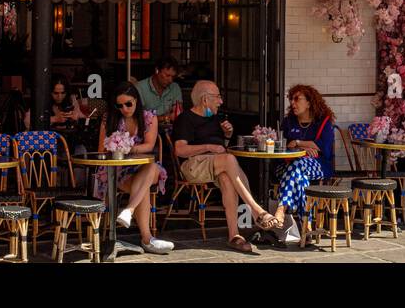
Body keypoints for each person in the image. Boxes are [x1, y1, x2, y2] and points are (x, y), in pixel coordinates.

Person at [172, 80, 280, 254]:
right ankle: (256, 210)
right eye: (218, 97)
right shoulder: (185, 118)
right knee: (229, 160)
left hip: (216, 164)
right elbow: (180, 150)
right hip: (194, 165)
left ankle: (234, 235)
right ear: (205, 99)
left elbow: (221, 147)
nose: (221, 102)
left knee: (227, 178)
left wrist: (227, 135)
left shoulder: (214, 119)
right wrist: (209, 147)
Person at [96, 83, 172, 254]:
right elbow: (101, 149)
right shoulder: (110, 119)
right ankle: (147, 239)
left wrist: (128, 148)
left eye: (128, 104)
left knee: (151, 166)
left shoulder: (148, 118)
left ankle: (129, 210)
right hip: (119, 172)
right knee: (142, 187)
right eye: (120, 105)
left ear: (136, 100)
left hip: (144, 167)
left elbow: (150, 145)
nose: (124, 109)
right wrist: (114, 146)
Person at [269, 84, 336, 228]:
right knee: (300, 177)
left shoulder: (323, 122)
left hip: (319, 166)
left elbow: (324, 147)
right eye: (291, 99)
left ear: (309, 103)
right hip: (286, 165)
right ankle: (307, 226)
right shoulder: (289, 121)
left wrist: (299, 143)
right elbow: (284, 145)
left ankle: (281, 208)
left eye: (296, 99)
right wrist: (305, 147)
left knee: (298, 165)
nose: (292, 103)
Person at [134, 56, 184, 123]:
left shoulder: (175, 88)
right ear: (157, 70)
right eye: (167, 75)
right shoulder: (140, 88)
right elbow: (138, 116)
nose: (170, 80)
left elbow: (177, 113)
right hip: (147, 130)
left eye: (173, 77)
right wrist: (165, 117)